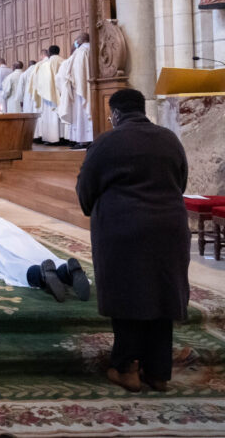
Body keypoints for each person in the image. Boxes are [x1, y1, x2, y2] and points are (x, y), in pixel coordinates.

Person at [76, 88, 190, 393]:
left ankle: (126, 367)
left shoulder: (106, 143)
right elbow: (181, 181)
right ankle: (158, 373)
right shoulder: (169, 139)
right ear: (142, 110)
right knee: (161, 294)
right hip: (169, 228)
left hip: (123, 230)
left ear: (114, 114)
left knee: (128, 294)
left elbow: (85, 191)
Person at [0, 217, 90, 301]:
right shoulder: (1, 221)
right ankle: (67, 270)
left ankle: (41, 275)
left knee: (13, 265)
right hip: (21, 239)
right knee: (42, 255)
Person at [57, 33, 93, 149]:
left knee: (81, 114)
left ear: (79, 41)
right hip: (92, 87)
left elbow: (77, 73)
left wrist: (70, 82)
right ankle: (91, 138)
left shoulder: (80, 52)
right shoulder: (94, 48)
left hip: (80, 88)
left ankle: (83, 140)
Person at [32, 46, 65, 145]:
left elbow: (41, 81)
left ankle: (53, 139)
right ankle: (63, 137)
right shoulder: (64, 61)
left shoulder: (45, 64)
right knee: (61, 114)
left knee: (51, 116)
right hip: (62, 91)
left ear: (49, 52)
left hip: (49, 94)